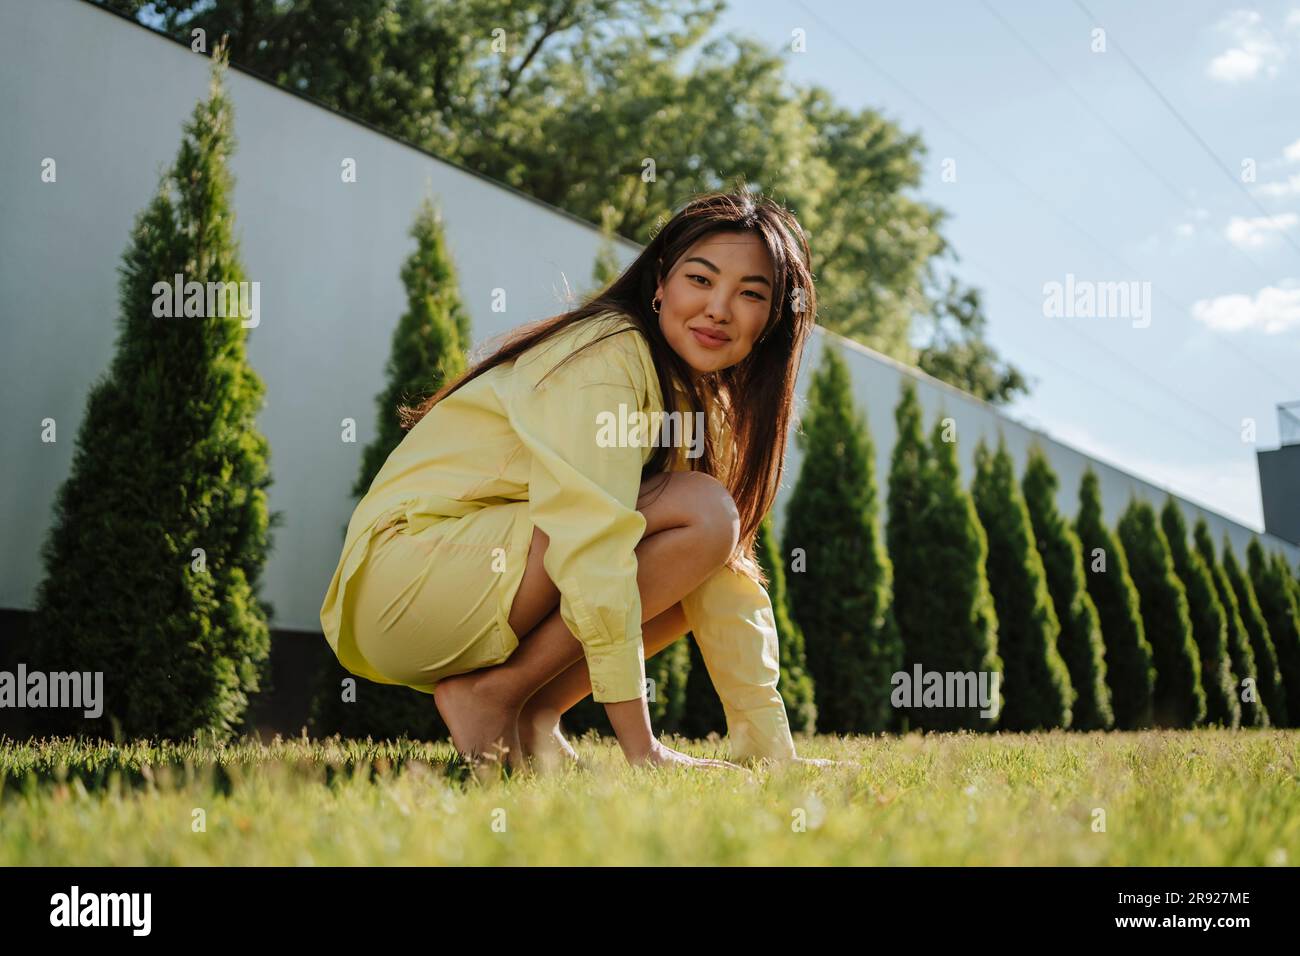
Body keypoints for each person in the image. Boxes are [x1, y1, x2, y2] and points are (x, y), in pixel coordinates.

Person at [320, 189, 839, 773]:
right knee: (696, 515)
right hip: (407, 580)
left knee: (707, 542)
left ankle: (532, 715)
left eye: (750, 294)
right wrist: (643, 751)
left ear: (771, 320)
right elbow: (591, 546)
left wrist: (768, 745)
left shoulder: (694, 397)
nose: (719, 308)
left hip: (470, 576)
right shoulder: (605, 357)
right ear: (660, 282)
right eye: (701, 278)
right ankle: (490, 697)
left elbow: (724, 568)